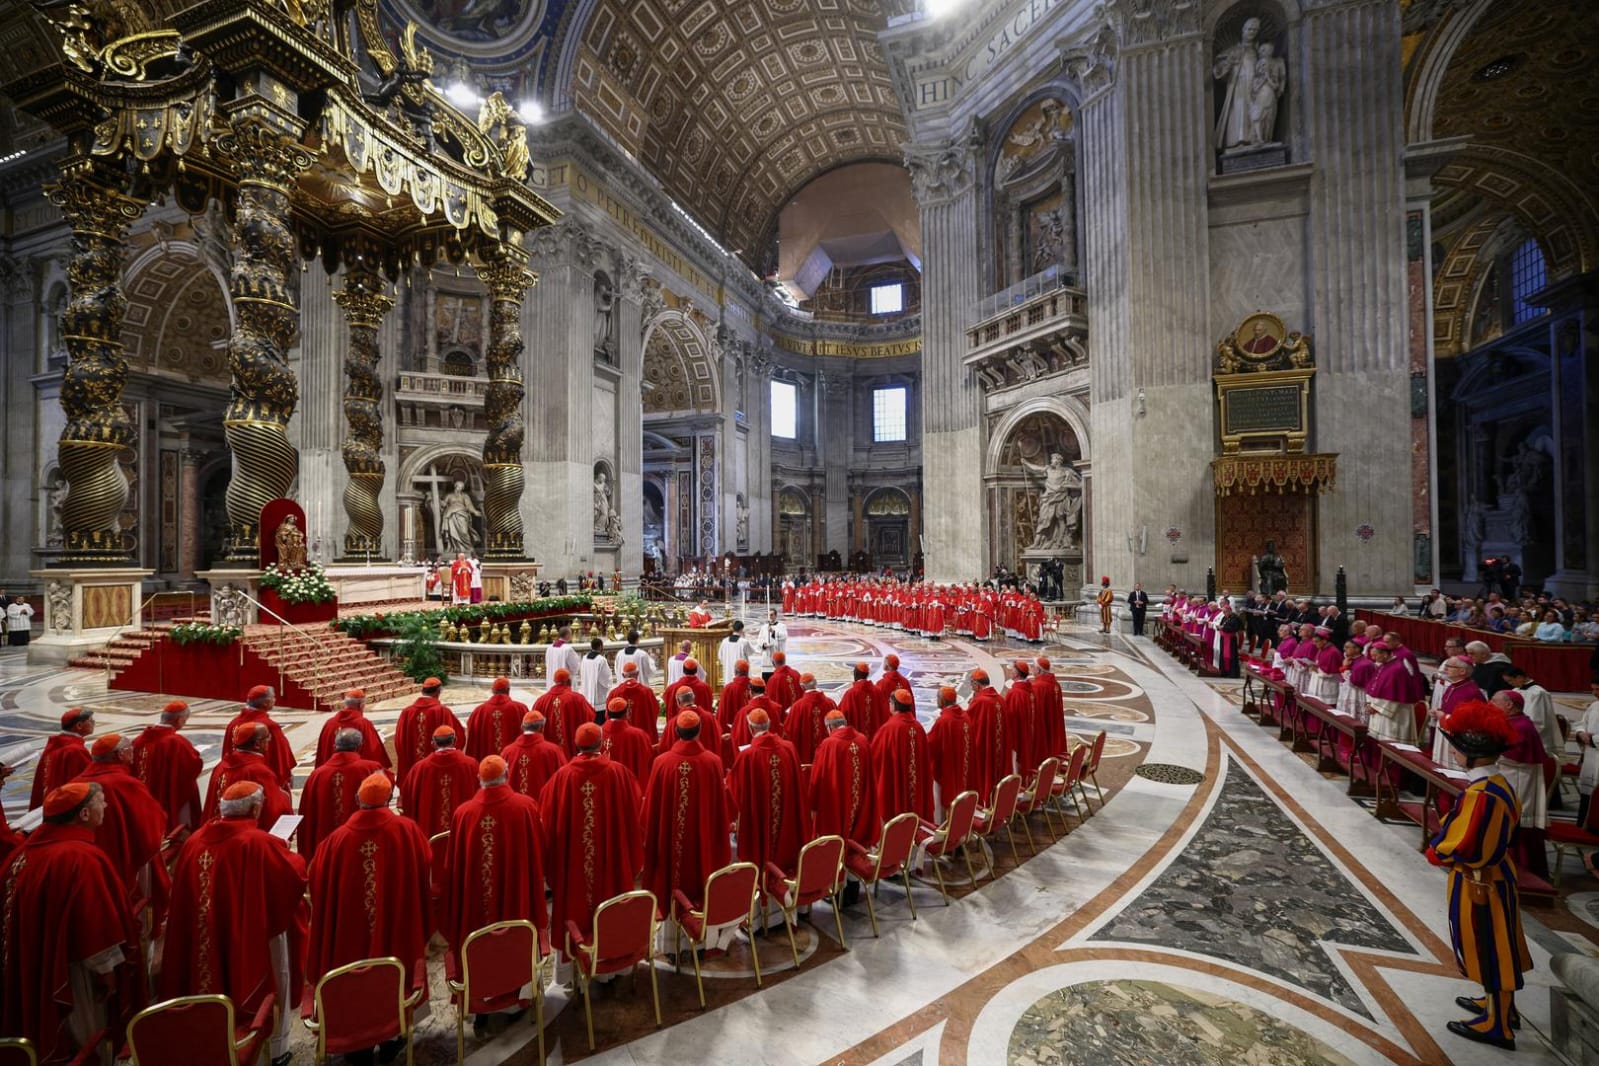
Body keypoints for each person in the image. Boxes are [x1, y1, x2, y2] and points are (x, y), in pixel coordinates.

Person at [161, 781, 308, 1066]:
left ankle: (209, 1042)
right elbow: (294, 875)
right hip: (251, 934)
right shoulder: (258, 842)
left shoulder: (194, 842)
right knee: (274, 978)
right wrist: (286, 852)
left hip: (206, 931)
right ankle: (274, 1051)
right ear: (255, 807)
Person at [1, 783, 144, 1065]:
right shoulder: (80, 857)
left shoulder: (22, 853)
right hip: (71, 976)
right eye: (102, 803)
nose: (107, 807)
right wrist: (109, 974)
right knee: (85, 1043)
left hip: (28, 968)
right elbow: (96, 928)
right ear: (84, 814)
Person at [1427, 700, 1533, 1051]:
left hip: (1480, 881)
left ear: (1469, 755)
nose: (1454, 753)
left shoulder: (1482, 795)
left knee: (1490, 946)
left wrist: (1439, 848)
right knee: (1497, 944)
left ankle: (1497, 1025)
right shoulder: (1498, 783)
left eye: (1457, 749)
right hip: (1495, 875)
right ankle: (1501, 1007)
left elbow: (1467, 844)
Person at [307, 773, 431, 1062]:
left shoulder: (334, 842)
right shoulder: (406, 830)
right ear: (389, 800)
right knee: (394, 960)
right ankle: (391, 1031)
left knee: (349, 966)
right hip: (394, 922)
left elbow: (315, 881)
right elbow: (425, 861)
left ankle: (355, 1037)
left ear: (357, 801)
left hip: (348, 932)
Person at [539, 721, 643, 969]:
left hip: (574, 865)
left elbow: (547, 820)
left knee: (576, 898)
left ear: (576, 746)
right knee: (614, 897)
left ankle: (577, 958)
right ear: (601, 745)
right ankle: (617, 961)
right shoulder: (618, 772)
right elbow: (634, 810)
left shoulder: (562, 778)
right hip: (612, 860)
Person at [443, 756, 547, 979]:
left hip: (475, 900)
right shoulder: (525, 806)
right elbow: (540, 851)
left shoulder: (463, 814)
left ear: (479, 778)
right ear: (507, 776)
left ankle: (479, 991)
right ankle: (518, 991)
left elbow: (453, 866)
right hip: (516, 891)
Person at [642, 710, 731, 925]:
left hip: (669, 843)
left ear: (674, 732)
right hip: (702, 837)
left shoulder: (662, 763)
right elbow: (720, 807)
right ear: (700, 732)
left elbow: (651, 808)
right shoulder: (713, 762)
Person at [73, 734, 169, 909]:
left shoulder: (76, 783)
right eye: (131, 749)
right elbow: (151, 822)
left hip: (84, 861)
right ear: (121, 754)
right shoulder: (125, 783)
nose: (134, 752)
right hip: (125, 857)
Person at [729, 708, 809, 878]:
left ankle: (764, 877)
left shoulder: (748, 755)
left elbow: (735, 790)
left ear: (750, 728)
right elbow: (798, 785)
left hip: (761, 817)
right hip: (787, 816)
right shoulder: (789, 748)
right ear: (770, 725)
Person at [298, 727, 389, 859]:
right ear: (359, 747)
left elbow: (308, 816)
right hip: (367, 843)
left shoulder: (316, 776)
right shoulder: (371, 768)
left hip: (328, 848)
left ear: (334, 746)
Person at [202, 722, 293, 829]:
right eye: (267, 738)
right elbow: (274, 809)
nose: (269, 741)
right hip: (249, 835)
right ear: (257, 744)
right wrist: (283, 797)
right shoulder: (259, 771)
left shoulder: (220, 766)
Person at [132, 699, 204, 831]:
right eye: (185, 720)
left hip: (143, 796)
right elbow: (193, 766)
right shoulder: (177, 743)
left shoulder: (138, 740)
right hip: (168, 797)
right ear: (178, 720)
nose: (184, 723)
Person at [809, 709, 877, 849]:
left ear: (829, 727)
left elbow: (818, 777)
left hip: (838, 803)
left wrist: (812, 802)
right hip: (861, 803)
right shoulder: (863, 739)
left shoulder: (829, 745)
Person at [401, 725, 480, 837]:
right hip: (464, 832)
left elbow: (407, 800)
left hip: (430, 834)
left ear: (433, 744)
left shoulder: (419, 768)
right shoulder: (471, 765)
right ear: (455, 741)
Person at [872, 689, 934, 823]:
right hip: (916, 786)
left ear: (894, 705)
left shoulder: (889, 728)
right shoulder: (918, 727)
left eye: (889, 702)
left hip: (897, 786)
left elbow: (875, 757)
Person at [392, 677, 465, 783]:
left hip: (412, 768)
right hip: (438, 769)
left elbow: (399, 741)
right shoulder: (442, 711)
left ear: (422, 691)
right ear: (438, 692)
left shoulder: (406, 712)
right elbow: (456, 737)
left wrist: (406, 760)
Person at [222, 685, 295, 789]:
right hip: (262, 778)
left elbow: (227, 754)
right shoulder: (270, 726)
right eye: (273, 697)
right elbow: (280, 757)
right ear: (265, 702)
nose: (275, 700)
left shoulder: (233, 724)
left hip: (235, 780)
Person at [29, 707, 94, 810]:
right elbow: (90, 780)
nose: (94, 722)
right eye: (90, 720)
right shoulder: (76, 751)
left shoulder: (54, 744)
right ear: (79, 725)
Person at [928, 686, 976, 821]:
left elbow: (931, 746)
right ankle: (960, 828)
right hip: (962, 766)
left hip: (948, 769)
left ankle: (944, 831)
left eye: (937, 698)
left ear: (942, 701)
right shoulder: (965, 716)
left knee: (943, 801)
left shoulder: (943, 721)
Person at [969, 668, 1016, 802]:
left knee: (985, 776)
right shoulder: (999, 699)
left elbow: (969, 724)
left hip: (985, 749)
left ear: (977, 684)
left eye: (972, 685)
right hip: (1000, 748)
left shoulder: (980, 702)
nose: (972, 688)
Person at [315, 688, 392, 768]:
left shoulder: (329, 724)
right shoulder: (363, 724)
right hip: (357, 773)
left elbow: (322, 753)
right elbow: (373, 752)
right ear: (361, 705)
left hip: (330, 774)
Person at [1429, 656, 1483, 765]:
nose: (1445, 669)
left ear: (1462, 671)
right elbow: (1449, 708)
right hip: (1446, 732)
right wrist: (1438, 712)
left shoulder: (1471, 692)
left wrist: (1443, 716)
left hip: (1457, 739)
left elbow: (1468, 723)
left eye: (1449, 666)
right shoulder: (1454, 686)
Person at [534, 667, 594, 757]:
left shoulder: (541, 701)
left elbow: (534, 726)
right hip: (572, 754)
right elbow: (590, 717)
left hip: (549, 755)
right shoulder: (577, 699)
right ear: (569, 681)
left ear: (554, 681)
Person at [465, 676, 528, 760]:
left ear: (492, 691)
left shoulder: (479, 711)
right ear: (508, 690)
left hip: (487, 762)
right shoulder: (520, 708)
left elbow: (472, 738)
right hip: (513, 760)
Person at [782, 673, 835, 767]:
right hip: (827, 757)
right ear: (816, 683)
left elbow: (789, 732)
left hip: (804, 760)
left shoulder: (797, 707)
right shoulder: (830, 703)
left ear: (802, 687)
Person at [601, 696, 654, 784]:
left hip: (605, 785)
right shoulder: (638, 735)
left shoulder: (597, 733)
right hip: (628, 784)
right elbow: (647, 758)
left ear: (607, 713)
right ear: (626, 714)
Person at [606, 659, 661, 744]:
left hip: (621, 739)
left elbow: (608, 716)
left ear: (623, 675)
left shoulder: (614, 693)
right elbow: (655, 710)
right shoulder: (647, 692)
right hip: (642, 738)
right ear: (637, 674)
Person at [1572, 681, 1599, 826]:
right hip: (1590, 756)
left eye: (1598, 689)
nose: (1594, 693)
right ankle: (1583, 826)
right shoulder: (1594, 706)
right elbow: (1581, 723)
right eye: (1593, 689)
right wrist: (1581, 733)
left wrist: (1592, 739)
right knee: (1587, 795)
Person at [661, 658, 713, 733]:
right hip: (701, 728)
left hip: (680, 728)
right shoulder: (705, 688)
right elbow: (709, 705)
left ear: (683, 671)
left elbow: (667, 702)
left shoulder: (672, 688)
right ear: (696, 671)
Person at [838, 661, 887, 738]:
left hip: (856, 741)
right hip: (875, 738)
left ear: (855, 674)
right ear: (867, 675)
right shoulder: (877, 691)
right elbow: (884, 713)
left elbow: (841, 714)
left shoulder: (851, 693)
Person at [717, 657, 754, 733]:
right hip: (752, 729)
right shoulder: (754, 686)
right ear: (747, 672)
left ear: (735, 671)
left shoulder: (728, 688)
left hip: (732, 730)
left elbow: (722, 714)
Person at [719, 621, 757, 690]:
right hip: (741, 674)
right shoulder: (743, 642)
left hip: (728, 672)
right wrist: (744, 637)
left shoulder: (724, 641)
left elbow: (720, 656)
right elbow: (751, 652)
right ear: (741, 629)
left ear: (733, 629)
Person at [578, 635, 614, 710]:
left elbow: (582, 673)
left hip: (587, 692)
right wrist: (610, 684)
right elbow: (606, 678)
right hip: (598, 697)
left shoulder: (585, 658)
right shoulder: (601, 660)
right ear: (600, 646)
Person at [544, 625, 583, 690]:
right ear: (567, 635)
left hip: (552, 680)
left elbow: (547, 664)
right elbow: (574, 667)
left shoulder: (549, 648)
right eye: (571, 634)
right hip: (564, 681)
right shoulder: (567, 649)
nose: (571, 636)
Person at [755, 609, 788, 680]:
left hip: (776, 653)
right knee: (766, 679)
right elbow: (759, 639)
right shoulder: (764, 627)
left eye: (771, 615)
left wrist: (773, 632)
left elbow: (784, 637)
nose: (770, 616)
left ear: (776, 616)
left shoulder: (782, 626)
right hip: (766, 656)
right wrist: (763, 644)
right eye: (769, 615)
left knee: (777, 678)